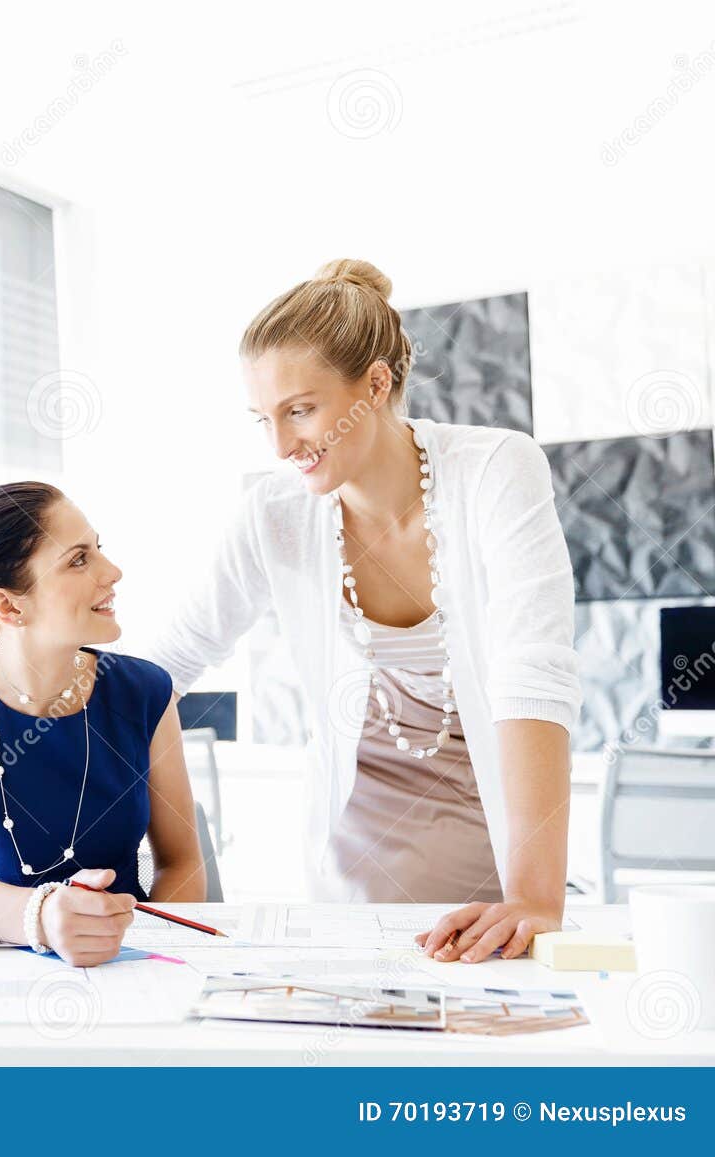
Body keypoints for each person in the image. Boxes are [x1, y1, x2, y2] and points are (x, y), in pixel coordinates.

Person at [152, 258, 581, 964]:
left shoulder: (496, 469)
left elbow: (533, 670)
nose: (281, 445)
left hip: (500, 869)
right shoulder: (275, 514)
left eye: (300, 409)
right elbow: (166, 663)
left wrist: (535, 898)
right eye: (263, 419)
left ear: (375, 384)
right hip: (352, 885)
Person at [0, 482, 208, 966]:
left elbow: (182, 863)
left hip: (122, 964)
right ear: (8, 606)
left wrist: (139, 953)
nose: (113, 572)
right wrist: (43, 918)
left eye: (98, 549)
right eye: (79, 560)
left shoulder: (146, 691)